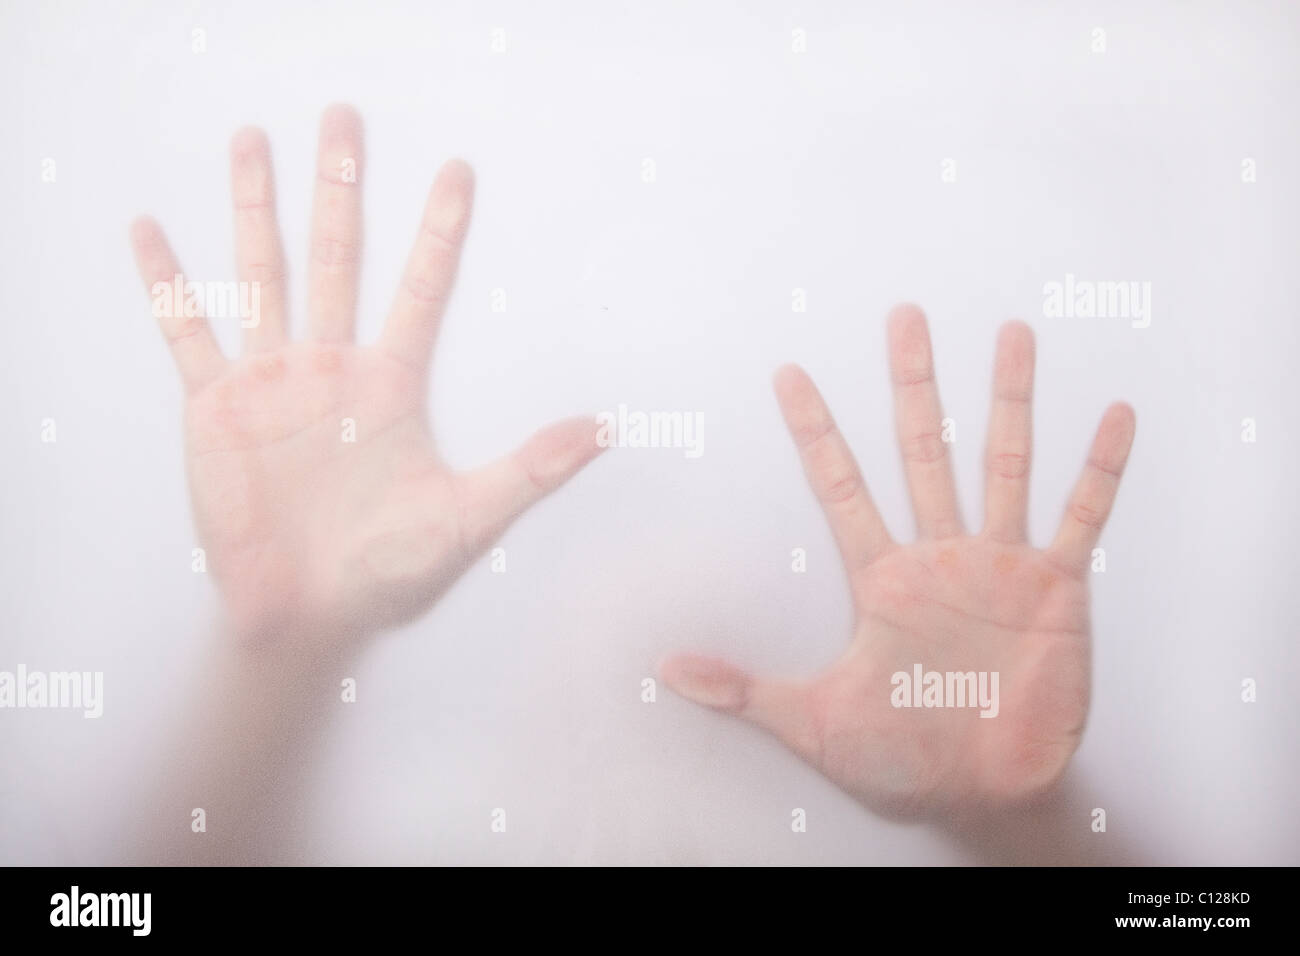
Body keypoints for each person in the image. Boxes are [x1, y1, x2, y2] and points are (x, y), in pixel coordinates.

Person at [127, 105, 1134, 864]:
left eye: (691, 674)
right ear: (526, 675)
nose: (671, 690)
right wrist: (293, 649)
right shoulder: (437, 818)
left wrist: (1017, 823)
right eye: (628, 670)